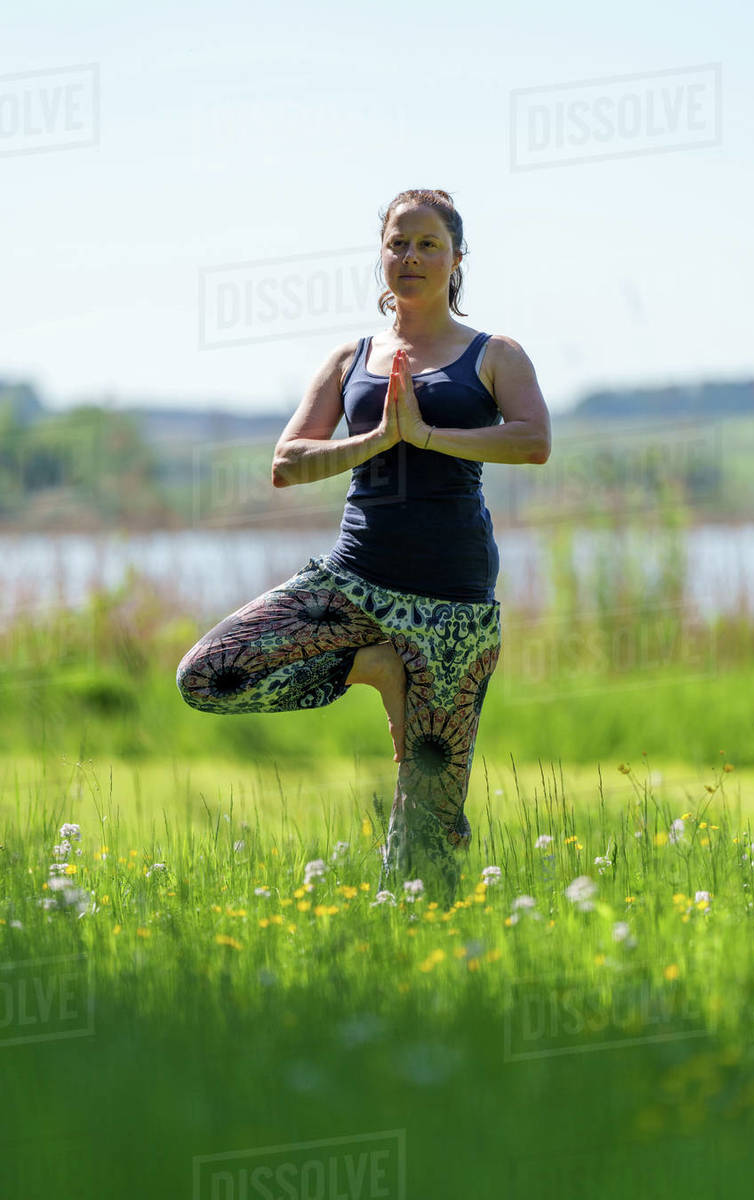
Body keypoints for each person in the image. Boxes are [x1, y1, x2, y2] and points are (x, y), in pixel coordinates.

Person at [176, 188, 551, 902]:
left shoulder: (494, 354)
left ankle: (420, 972)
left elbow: (534, 442)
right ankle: (374, 667)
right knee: (210, 673)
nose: (410, 256)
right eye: (398, 243)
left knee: (430, 830)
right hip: (351, 582)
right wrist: (377, 439)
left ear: (457, 259)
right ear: (381, 255)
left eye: (428, 243)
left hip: (452, 601)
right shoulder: (351, 357)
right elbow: (288, 462)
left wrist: (429, 436)